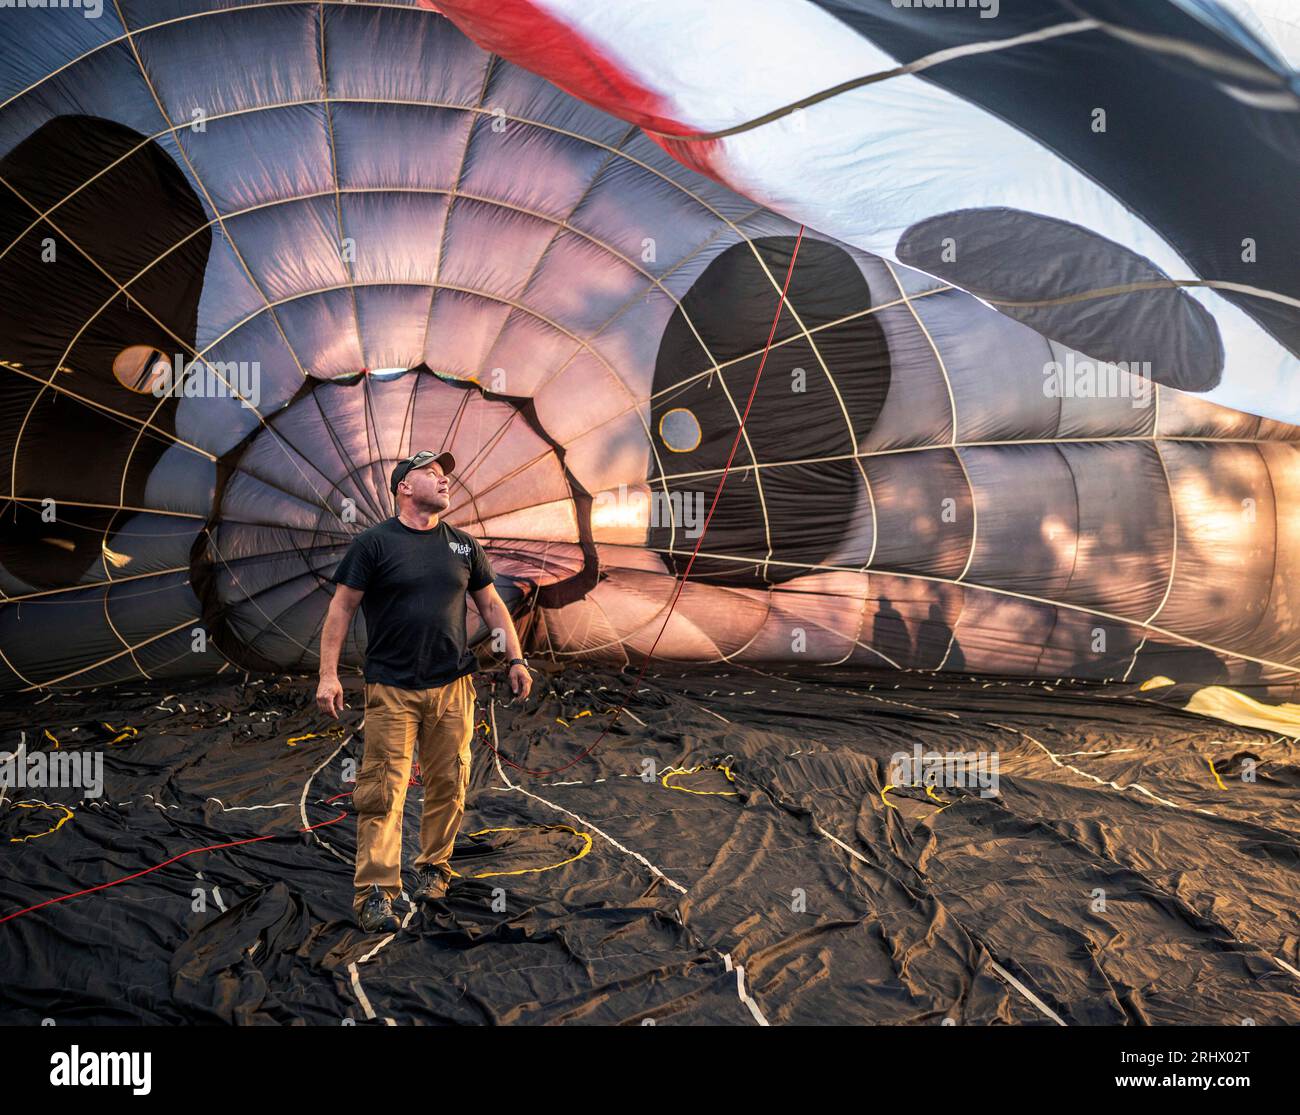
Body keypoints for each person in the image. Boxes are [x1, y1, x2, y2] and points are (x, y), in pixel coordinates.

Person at [316, 449, 533, 933]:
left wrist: (515, 657)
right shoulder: (373, 545)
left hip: (453, 685)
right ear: (404, 488)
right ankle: (376, 891)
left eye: (445, 476)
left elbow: (493, 606)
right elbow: (341, 609)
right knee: (382, 791)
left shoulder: (462, 546)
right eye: (431, 475)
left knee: (450, 783)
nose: (443, 481)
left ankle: (433, 868)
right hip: (391, 688)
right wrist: (328, 674)